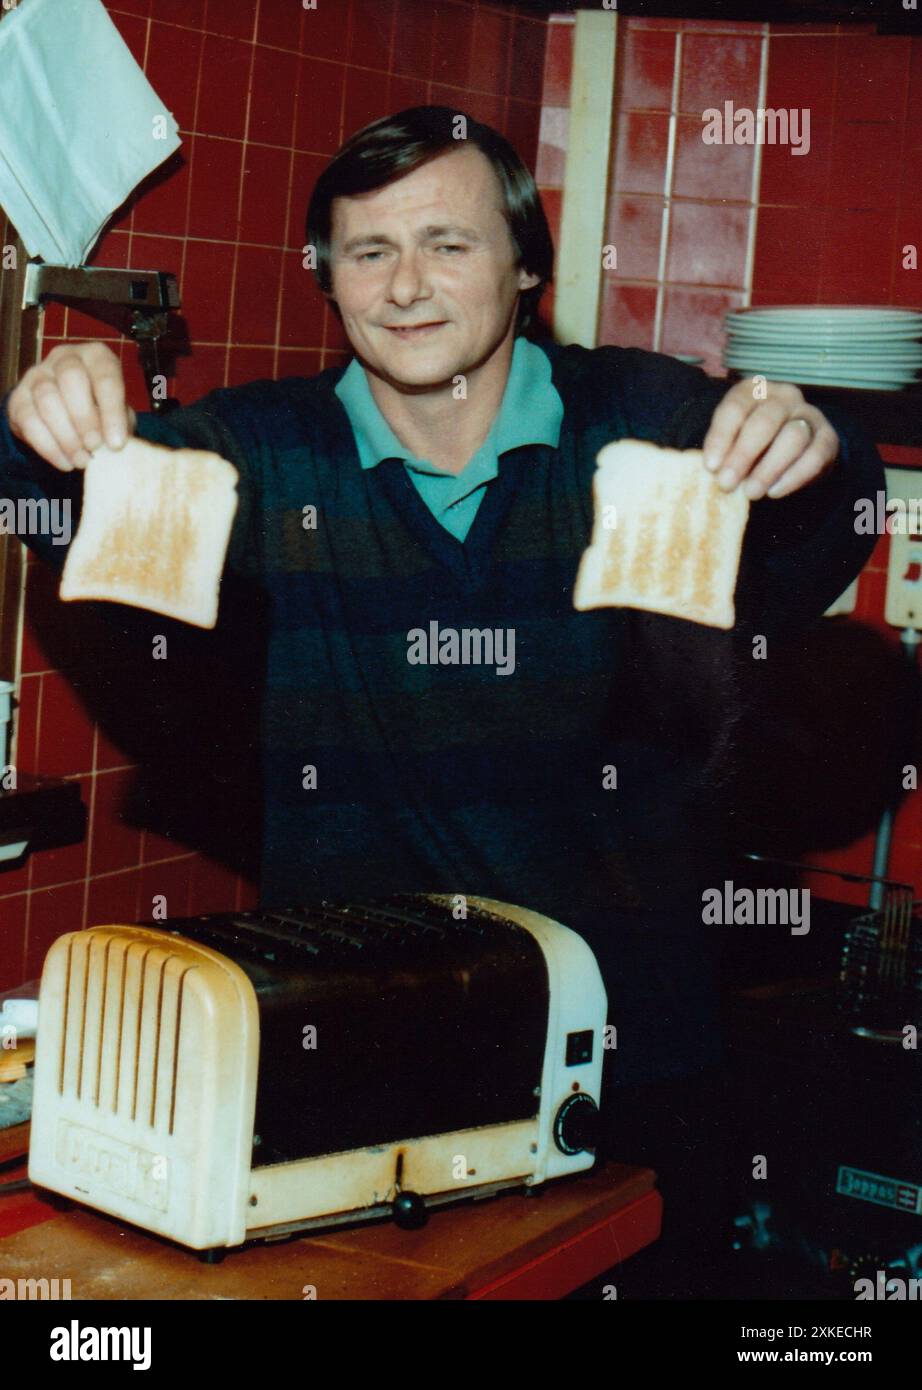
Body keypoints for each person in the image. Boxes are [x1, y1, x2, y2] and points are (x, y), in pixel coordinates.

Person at [0, 107, 883, 1292]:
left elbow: (810, 534)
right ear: (329, 280)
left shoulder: (637, 423)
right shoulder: (269, 454)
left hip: (631, 1061)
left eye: (449, 245)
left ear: (525, 267)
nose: (406, 287)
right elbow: (67, 513)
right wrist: (40, 421)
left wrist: (816, 445)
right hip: (358, 1066)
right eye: (369, 253)